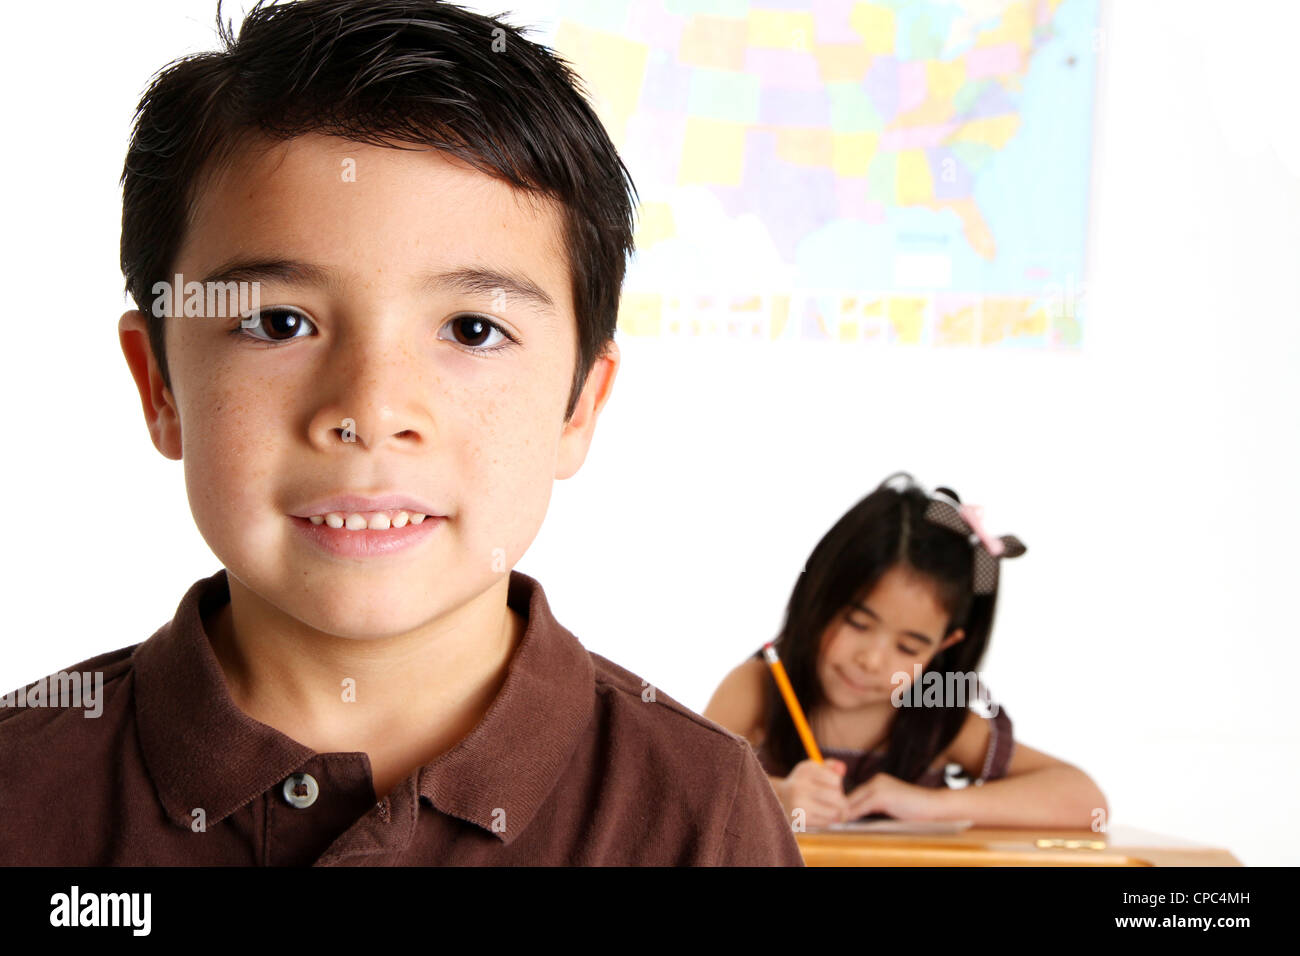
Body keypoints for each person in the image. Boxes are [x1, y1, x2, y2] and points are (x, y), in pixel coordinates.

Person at [0, 0, 802, 866]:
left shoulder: (699, 814)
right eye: (278, 323)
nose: (371, 411)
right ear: (159, 384)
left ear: (581, 405)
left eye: (471, 330)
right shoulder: (23, 789)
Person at [704, 471, 1108, 830]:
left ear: (943, 647)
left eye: (909, 645)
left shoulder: (937, 719)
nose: (873, 660)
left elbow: (1086, 802)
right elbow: (686, 785)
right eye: (857, 623)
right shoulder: (757, 689)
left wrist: (930, 805)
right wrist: (776, 797)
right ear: (819, 599)